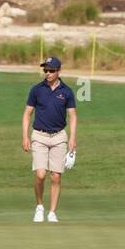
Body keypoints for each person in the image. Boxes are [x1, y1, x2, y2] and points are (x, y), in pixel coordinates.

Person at [22, 56, 77, 223]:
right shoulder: (36, 89)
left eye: (51, 70)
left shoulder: (66, 91)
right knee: (40, 175)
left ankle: (52, 212)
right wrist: (25, 136)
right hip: (39, 135)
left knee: (56, 176)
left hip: (59, 136)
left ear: (58, 71)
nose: (47, 73)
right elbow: (27, 114)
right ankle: (39, 206)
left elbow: (73, 116)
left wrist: (72, 138)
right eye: (45, 70)